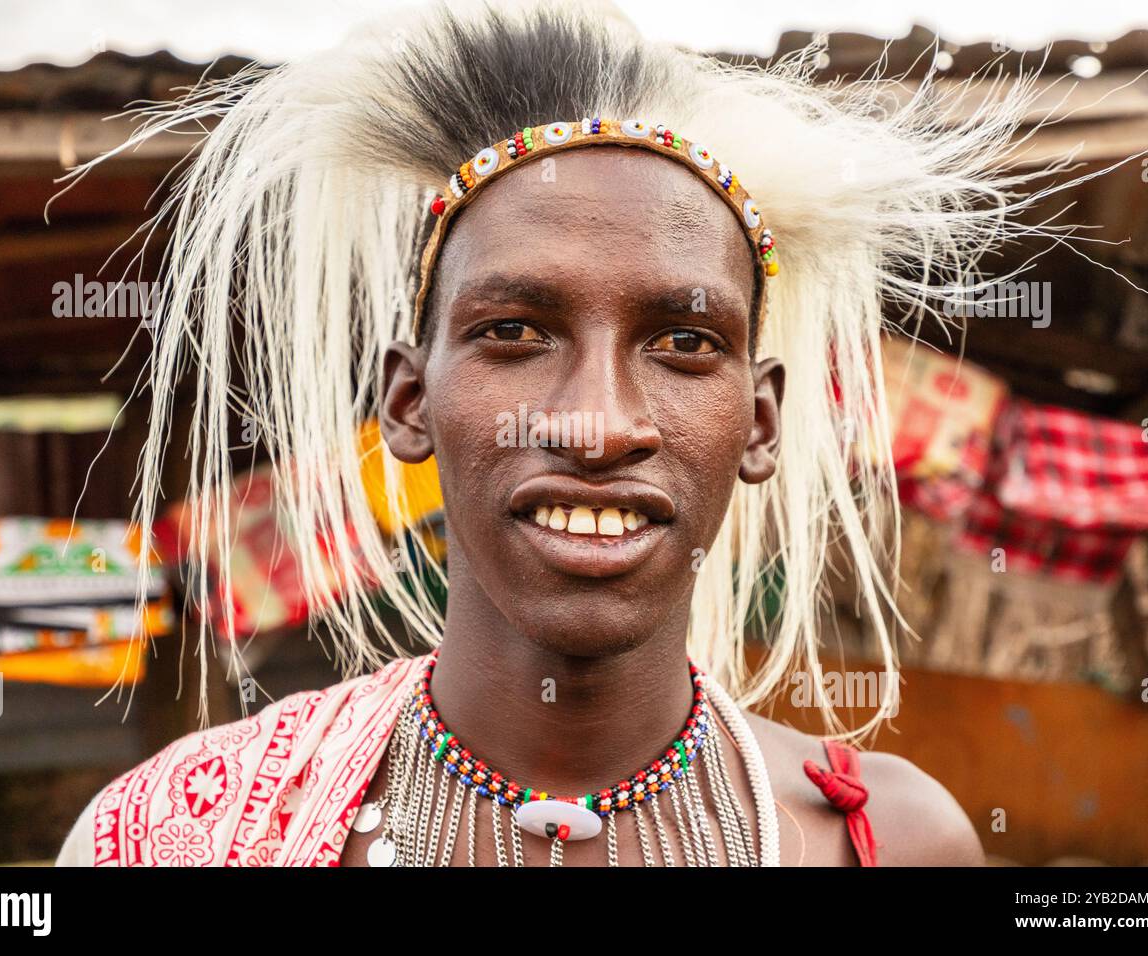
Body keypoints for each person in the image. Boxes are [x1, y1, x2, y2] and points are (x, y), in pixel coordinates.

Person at [55, 0, 1080, 866]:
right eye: (514, 331)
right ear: (408, 403)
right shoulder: (182, 831)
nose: (597, 421)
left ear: (759, 420)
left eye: (682, 341)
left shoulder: (890, 841)